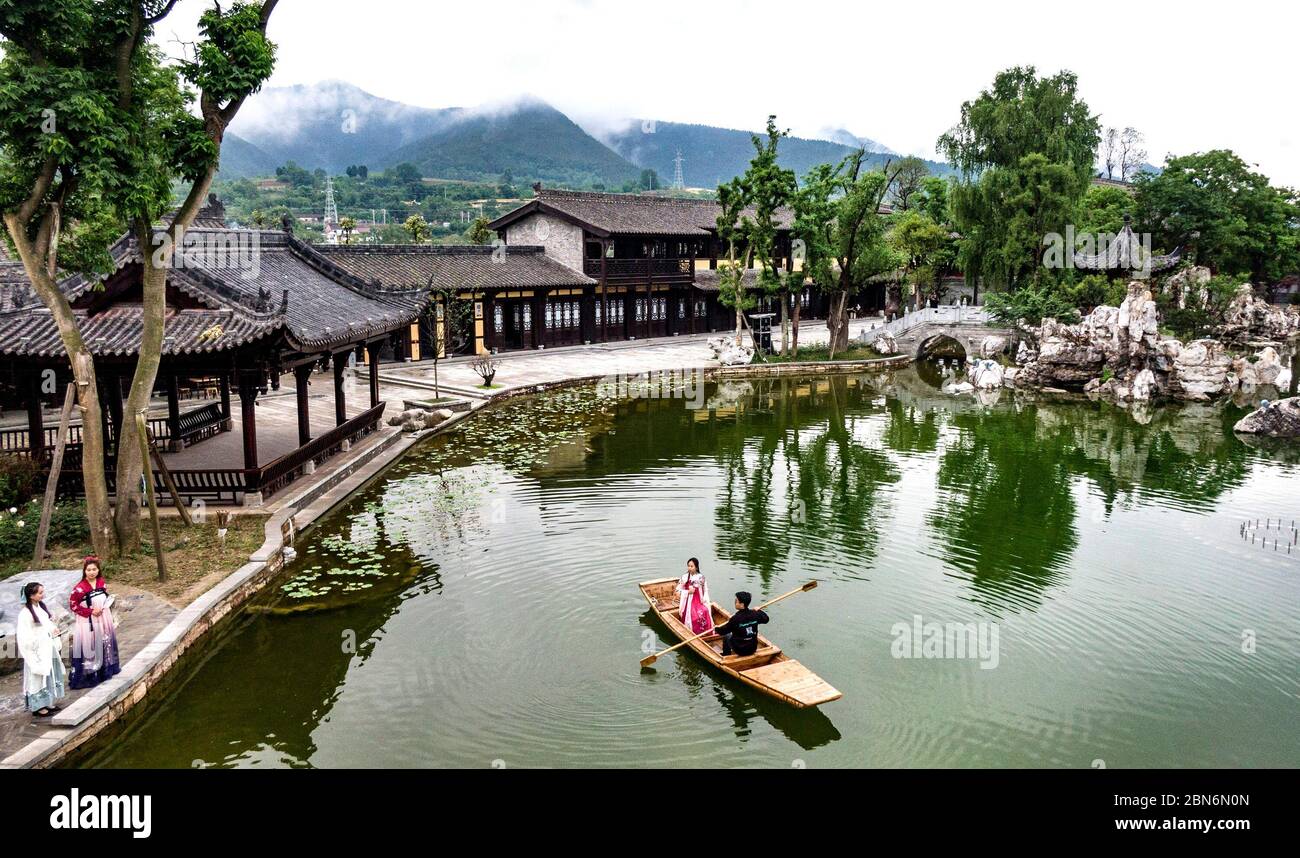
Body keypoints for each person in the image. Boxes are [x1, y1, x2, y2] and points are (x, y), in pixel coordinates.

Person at [68, 556, 121, 689]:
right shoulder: (79, 588)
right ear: (84, 571)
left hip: (103, 617)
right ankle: (91, 676)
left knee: (105, 642)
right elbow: (73, 606)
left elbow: (105, 597)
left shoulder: (101, 582)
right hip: (88, 621)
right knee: (91, 646)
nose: (91, 572)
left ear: (98, 570)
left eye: (94, 569)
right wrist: (89, 611)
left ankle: (107, 670)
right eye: (88, 570)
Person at [16, 582, 66, 717]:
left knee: (49, 674)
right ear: (31, 596)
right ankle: (38, 706)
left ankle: (48, 701)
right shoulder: (25, 614)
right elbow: (24, 636)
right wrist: (38, 641)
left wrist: (53, 629)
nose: (42, 595)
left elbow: (46, 624)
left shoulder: (40, 608)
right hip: (37, 650)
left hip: (47, 647)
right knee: (37, 677)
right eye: (40, 593)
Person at [714, 591, 769, 657]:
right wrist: (759, 611)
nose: (735, 602)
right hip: (752, 648)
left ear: (742, 604)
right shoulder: (755, 614)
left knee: (727, 636)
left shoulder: (735, 618)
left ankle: (726, 655)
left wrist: (716, 628)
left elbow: (723, 631)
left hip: (740, 650)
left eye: (736, 601)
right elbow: (766, 619)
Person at [676, 557, 714, 635]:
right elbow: (677, 591)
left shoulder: (701, 578)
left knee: (705, 611)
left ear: (696, 567)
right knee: (694, 616)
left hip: (699, 601)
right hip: (687, 602)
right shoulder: (684, 577)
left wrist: (705, 602)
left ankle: (705, 632)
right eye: (688, 566)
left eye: (691, 566)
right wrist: (687, 592)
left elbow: (705, 591)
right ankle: (692, 632)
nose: (689, 568)